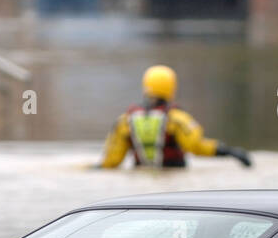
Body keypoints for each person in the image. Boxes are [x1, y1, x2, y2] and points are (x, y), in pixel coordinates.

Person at [99, 65, 252, 168]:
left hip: (140, 175)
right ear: (172, 86)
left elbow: (112, 160)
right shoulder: (177, 119)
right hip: (173, 173)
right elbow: (197, 146)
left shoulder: (125, 120)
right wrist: (231, 152)